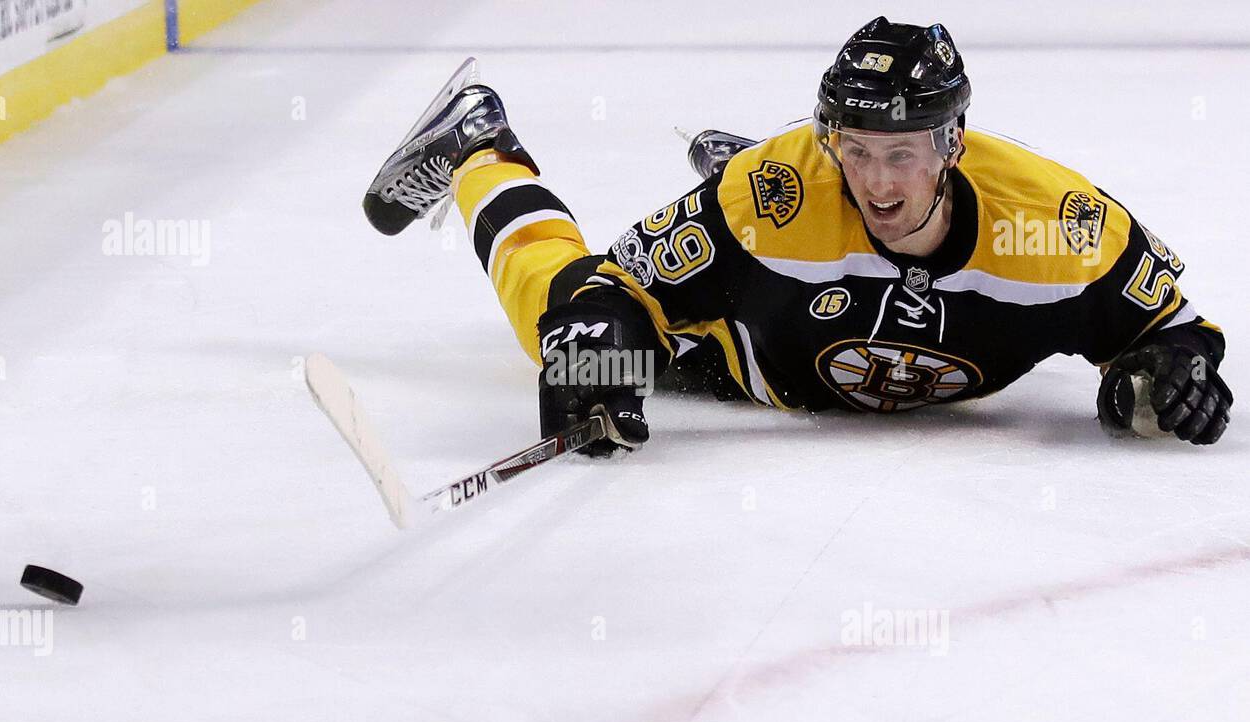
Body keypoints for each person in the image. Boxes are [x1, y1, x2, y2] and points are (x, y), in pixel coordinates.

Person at [362, 16, 1232, 453]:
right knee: (551, 310)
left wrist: (1169, 376)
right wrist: (599, 359)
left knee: (778, 219)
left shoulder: (1058, 228)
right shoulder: (775, 199)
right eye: (854, 151)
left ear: (953, 143)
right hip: (740, 355)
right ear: (828, 143)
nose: (879, 182)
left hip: (791, 264)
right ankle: (478, 148)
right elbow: (613, 291)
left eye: (901, 153)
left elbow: (1170, 331)